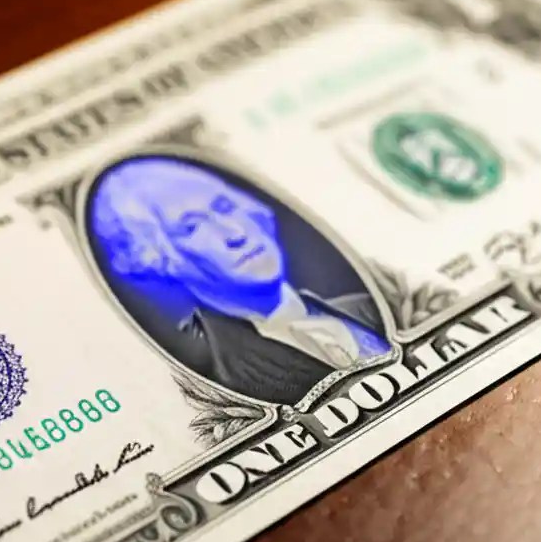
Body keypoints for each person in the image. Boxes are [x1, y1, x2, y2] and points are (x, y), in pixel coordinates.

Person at [93, 157, 390, 405]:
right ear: (154, 257)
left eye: (225, 207)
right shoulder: (217, 381)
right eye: (192, 226)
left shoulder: (372, 308)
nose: (236, 233)